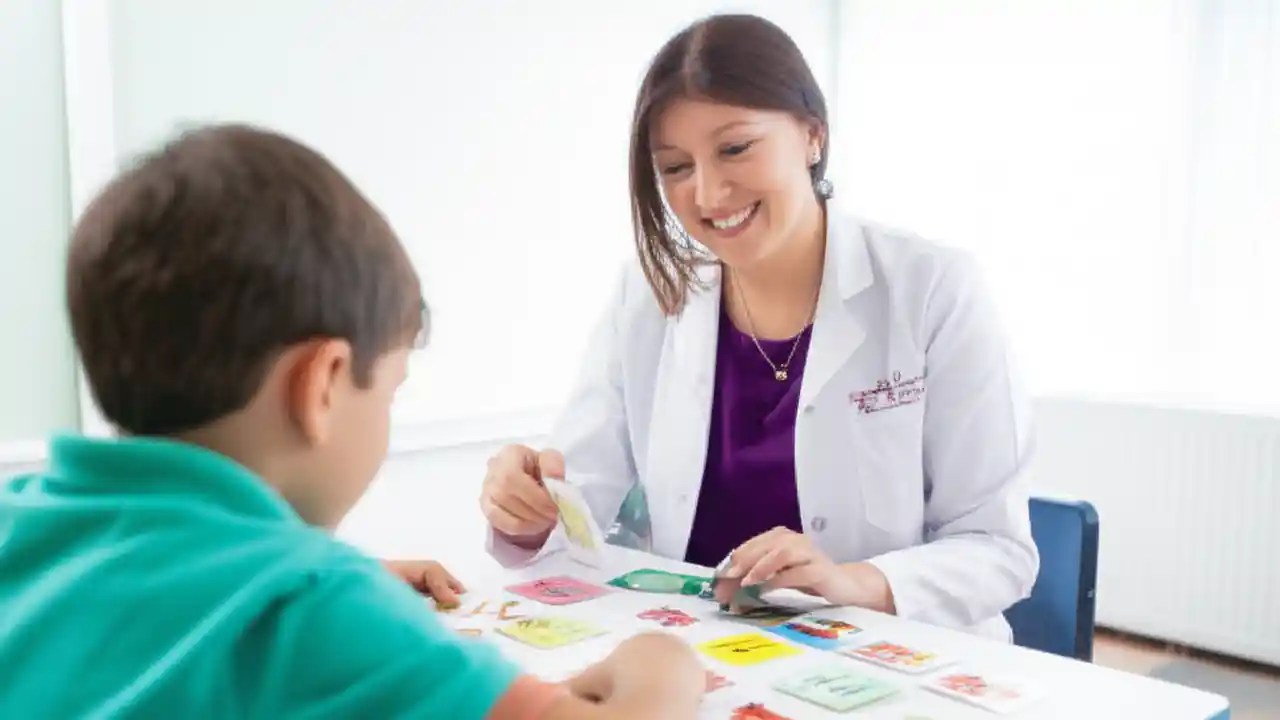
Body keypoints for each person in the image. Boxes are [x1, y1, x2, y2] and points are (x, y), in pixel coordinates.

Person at [0, 125, 703, 719]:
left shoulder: (18, 527)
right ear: (324, 385)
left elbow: (146, 605)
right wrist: (662, 667)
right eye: (392, 388)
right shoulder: (312, 607)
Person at [480, 13, 1039, 641]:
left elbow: (996, 547)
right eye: (675, 167)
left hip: (892, 654)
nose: (710, 193)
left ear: (812, 136)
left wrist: (854, 583)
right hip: (705, 651)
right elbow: (578, 507)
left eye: (735, 148)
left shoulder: (932, 288)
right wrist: (529, 512)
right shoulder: (650, 295)